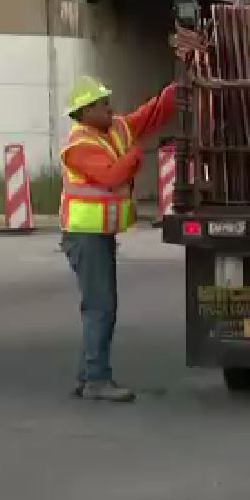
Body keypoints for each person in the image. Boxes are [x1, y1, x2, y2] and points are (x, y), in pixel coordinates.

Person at [61, 76, 177, 402]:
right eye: (102, 105)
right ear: (85, 112)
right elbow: (112, 176)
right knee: (101, 308)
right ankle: (96, 379)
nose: (110, 109)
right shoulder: (79, 146)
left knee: (98, 306)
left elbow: (151, 114)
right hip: (85, 236)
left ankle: (87, 376)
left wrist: (179, 84)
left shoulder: (116, 129)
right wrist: (137, 155)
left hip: (98, 235)